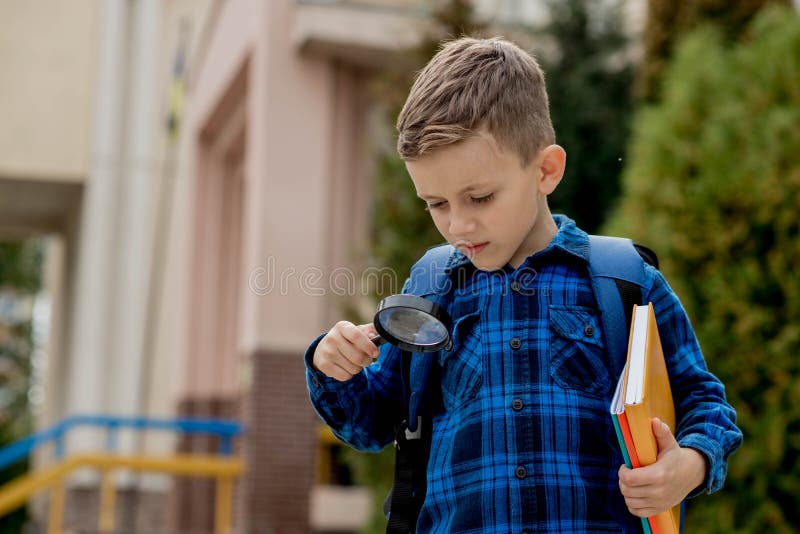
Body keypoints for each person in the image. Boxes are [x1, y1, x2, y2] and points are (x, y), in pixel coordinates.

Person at [305, 36, 742, 533]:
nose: (459, 225)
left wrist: (690, 465)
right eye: (437, 203)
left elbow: (705, 405)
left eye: (480, 197)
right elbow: (370, 424)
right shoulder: (431, 288)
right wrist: (334, 368)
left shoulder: (624, 280)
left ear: (545, 170)